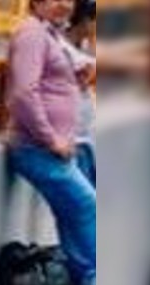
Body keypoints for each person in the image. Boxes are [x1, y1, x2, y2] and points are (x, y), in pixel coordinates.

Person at [6, 0, 97, 285]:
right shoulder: (31, 34)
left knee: (71, 211)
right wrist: (51, 138)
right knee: (85, 205)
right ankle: (93, 277)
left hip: (49, 147)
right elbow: (23, 93)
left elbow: (48, 76)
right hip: (36, 147)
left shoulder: (48, 34)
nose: (65, 6)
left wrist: (76, 72)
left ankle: (86, 278)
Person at [66, 0, 97, 186]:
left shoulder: (86, 47)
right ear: (86, 20)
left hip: (88, 137)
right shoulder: (62, 45)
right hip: (75, 139)